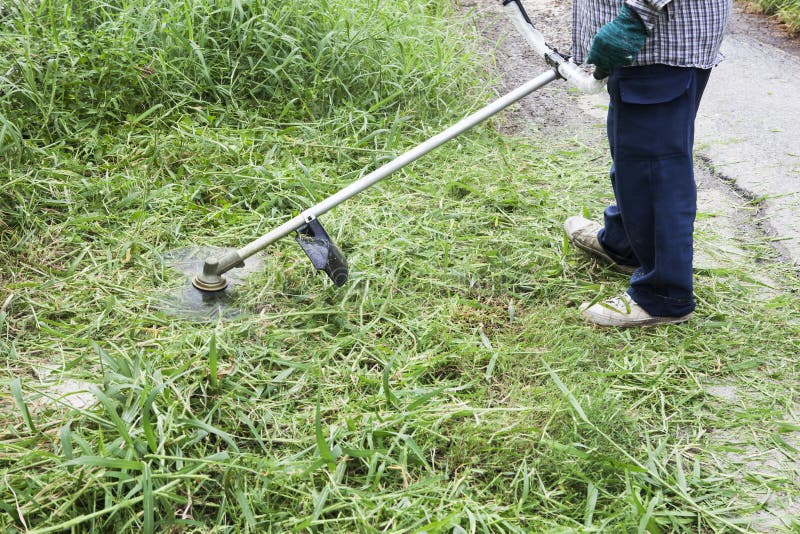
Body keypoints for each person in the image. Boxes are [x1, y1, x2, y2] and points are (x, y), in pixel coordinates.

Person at [564, 0, 733, 327]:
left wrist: (635, 17)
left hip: (658, 35)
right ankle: (625, 243)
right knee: (634, 153)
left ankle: (664, 293)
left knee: (656, 171)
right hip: (648, 39)